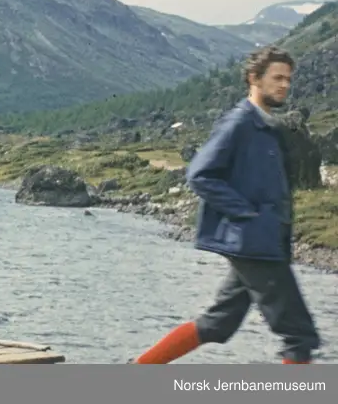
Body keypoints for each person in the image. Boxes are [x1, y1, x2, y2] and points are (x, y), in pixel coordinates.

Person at [131, 46, 322, 364]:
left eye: (288, 79)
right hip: (256, 246)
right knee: (298, 335)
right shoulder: (239, 123)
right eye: (277, 78)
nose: (285, 85)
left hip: (260, 244)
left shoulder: (266, 126)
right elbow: (200, 174)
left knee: (217, 324)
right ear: (254, 79)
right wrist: (246, 213)